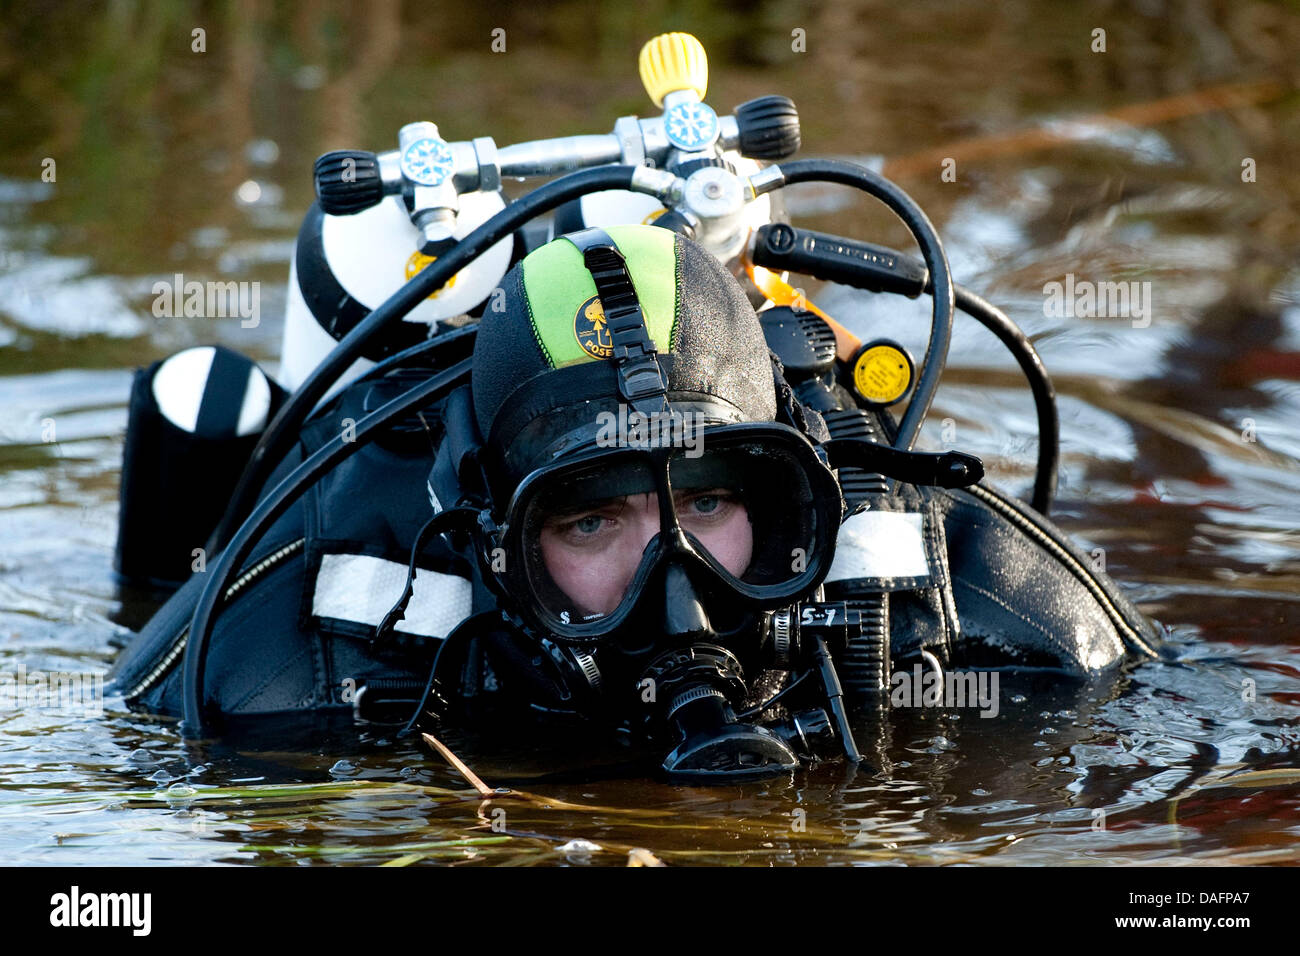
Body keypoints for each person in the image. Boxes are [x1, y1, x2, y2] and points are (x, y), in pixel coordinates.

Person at [109, 222, 1162, 779]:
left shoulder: (941, 582)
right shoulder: (313, 634)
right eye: (589, 520)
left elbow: (1179, 719)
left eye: (707, 503)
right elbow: (132, 748)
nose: (676, 583)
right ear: (499, 542)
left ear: (790, 495)